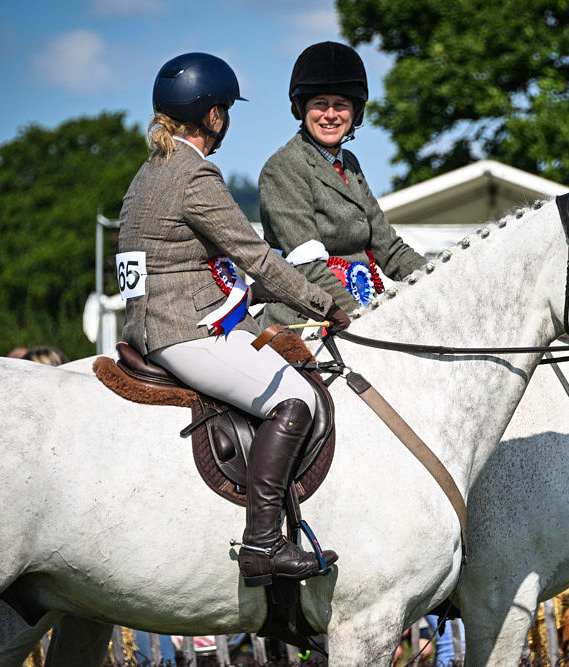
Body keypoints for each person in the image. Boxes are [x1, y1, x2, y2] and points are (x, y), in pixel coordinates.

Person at [118, 52, 350, 586]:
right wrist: (327, 306)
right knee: (296, 399)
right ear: (214, 115)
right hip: (183, 332)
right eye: (226, 110)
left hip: (152, 326)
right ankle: (263, 545)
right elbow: (258, 258)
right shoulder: (193, 174)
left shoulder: (150, 171)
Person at [256, 41, 424, 327]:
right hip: (308, 318)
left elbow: (390, 249)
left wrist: (442, 278)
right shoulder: (284, 167)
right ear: (301, 108)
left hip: (363, 306)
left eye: (341, 105)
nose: (330, 114)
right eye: (320, 103)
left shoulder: (350, 165)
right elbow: (307, 266)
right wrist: (363, 316)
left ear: (354, 112)